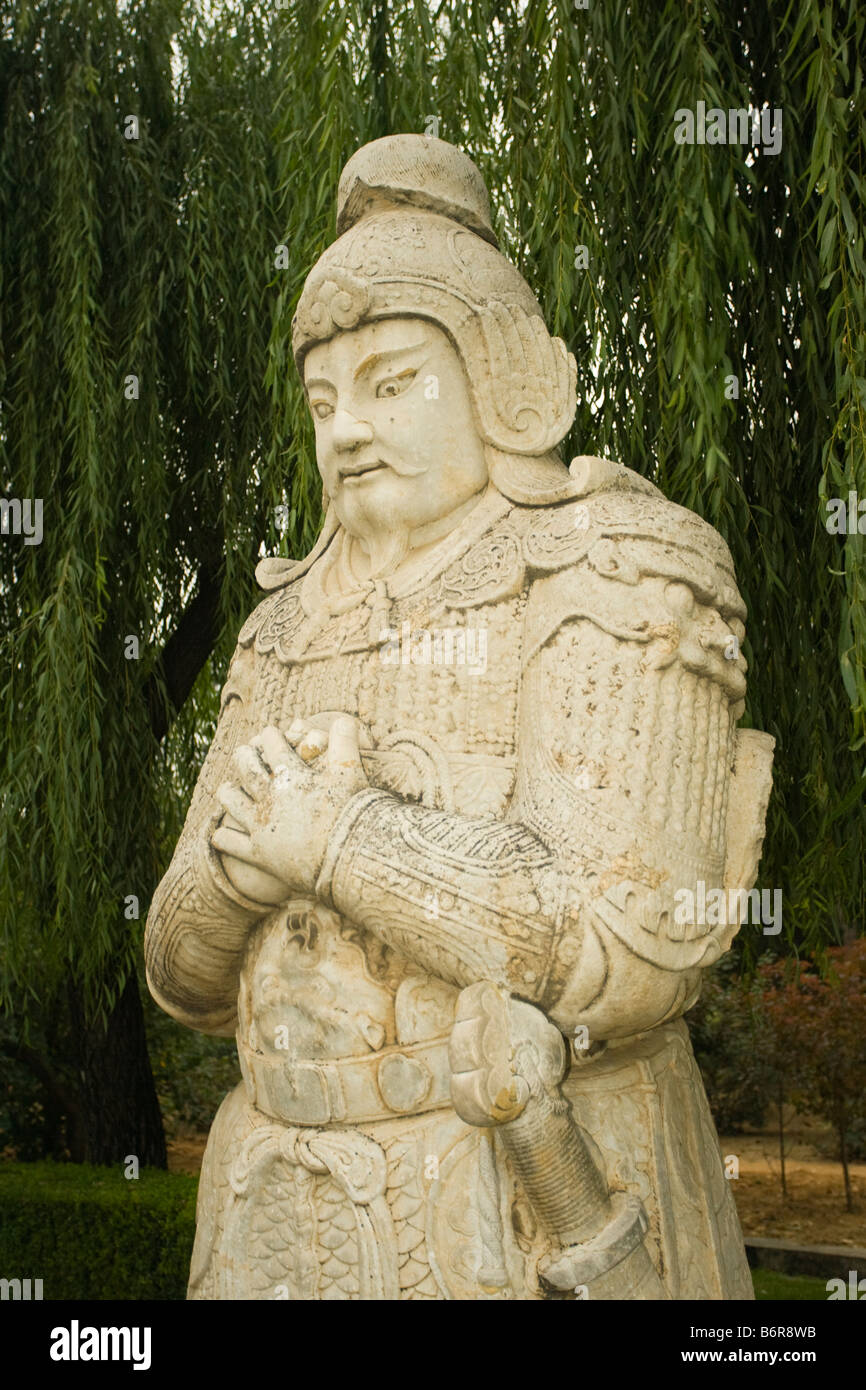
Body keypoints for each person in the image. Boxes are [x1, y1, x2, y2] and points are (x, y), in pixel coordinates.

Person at [145, 134, 773, 1299]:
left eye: (391, 382)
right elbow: (179, 976)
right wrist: (238, 874)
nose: (342, 429)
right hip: (271, 1203)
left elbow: (620, 947)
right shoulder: (278, 631)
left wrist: (337, 838)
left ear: (499, 380)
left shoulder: (614, 566)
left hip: (514, 1190)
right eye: (323, 397)